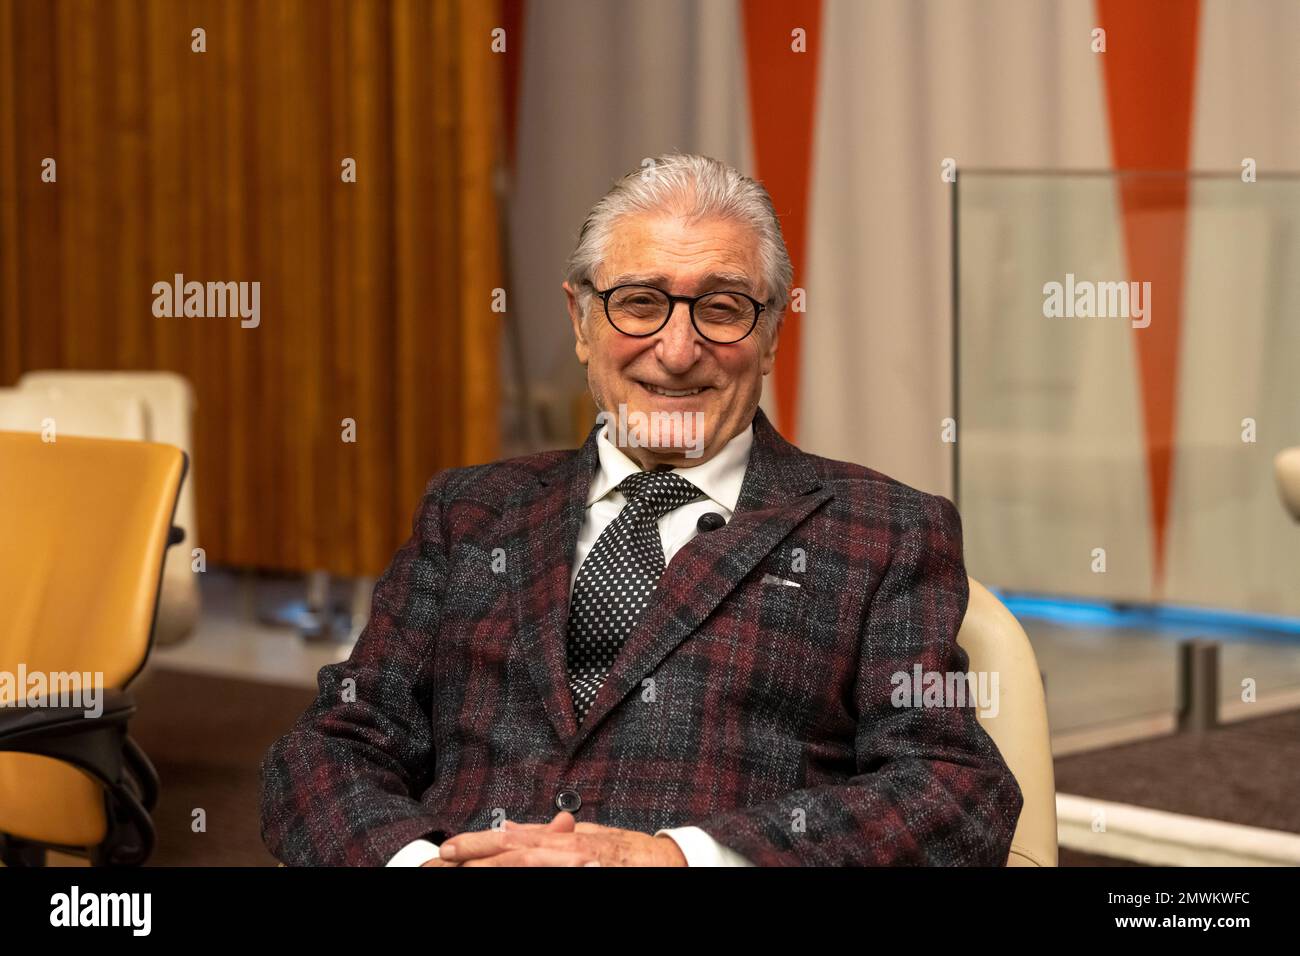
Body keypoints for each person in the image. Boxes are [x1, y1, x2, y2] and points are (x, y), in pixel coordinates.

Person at [260, 152, 1023, 866]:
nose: (678, 348)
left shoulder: (883, 530)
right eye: (639, 303)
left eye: (721, 308)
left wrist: (675, 857)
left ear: (771, 333)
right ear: (580, 322)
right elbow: (330, 748)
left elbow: (954, 790)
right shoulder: (468, 512)